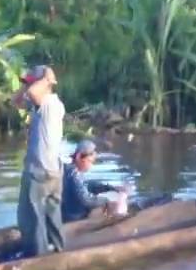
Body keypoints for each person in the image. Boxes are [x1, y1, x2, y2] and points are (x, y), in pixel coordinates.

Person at [14, 64, 66, 257]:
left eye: (33, 83)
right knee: (53, 215)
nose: (30, 88)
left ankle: (38, 256)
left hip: (39, 171)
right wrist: (24, 83)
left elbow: (35, 92)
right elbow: (16, 102)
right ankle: (58, 249)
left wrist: (44, 78)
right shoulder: (43, 107)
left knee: (30, 218)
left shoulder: (49, 104)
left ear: (45, 84)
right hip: (52, 171)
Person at [62, 139, 120, 222]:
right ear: (79, 157)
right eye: (90, 161)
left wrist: (109, 187)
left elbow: (88, 185)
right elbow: (86, 200)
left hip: (69, 213)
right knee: (109, 209)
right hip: (73, 217)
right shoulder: (74, 173)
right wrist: (106, 201)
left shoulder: (70, 169)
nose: (91, 165)